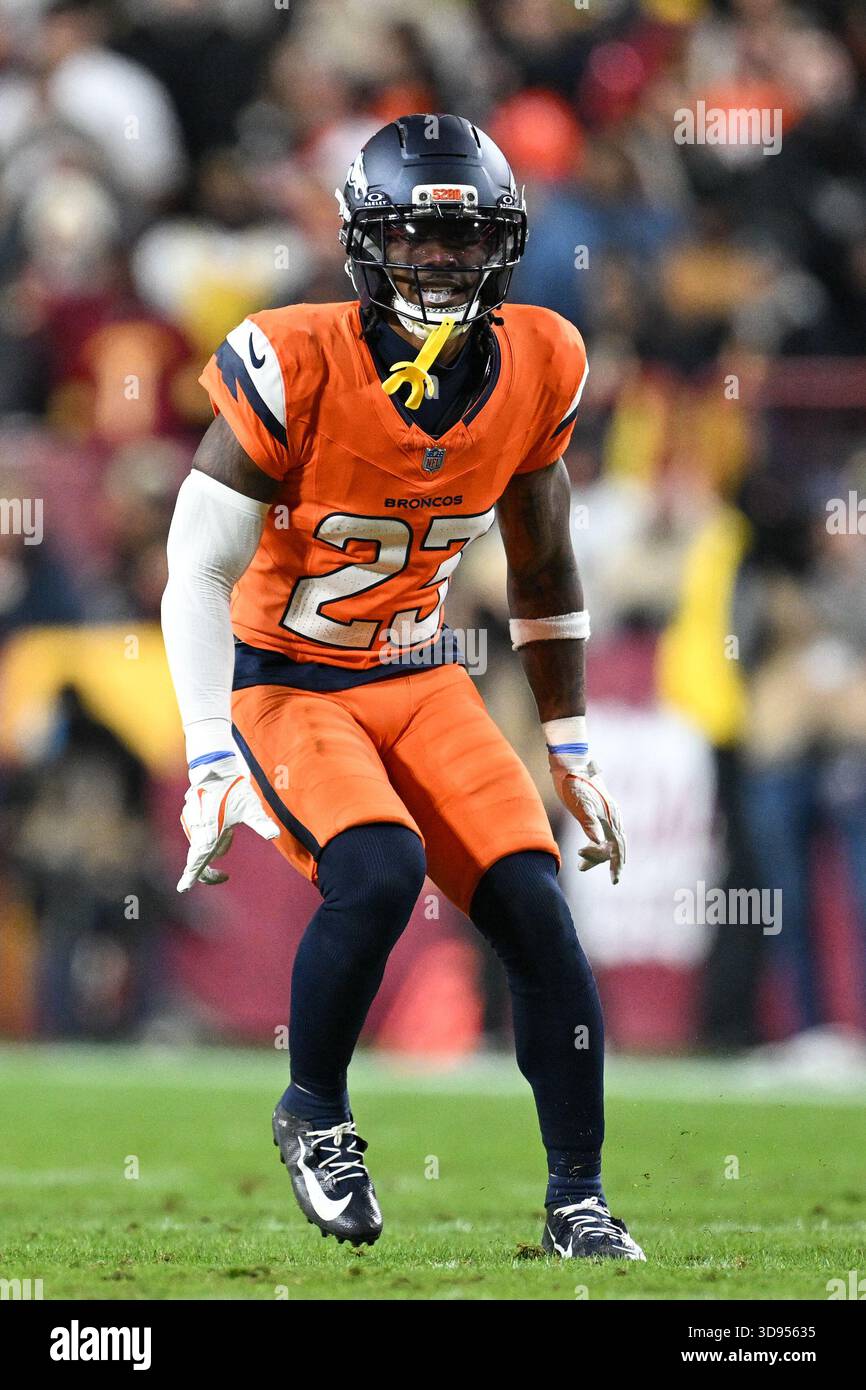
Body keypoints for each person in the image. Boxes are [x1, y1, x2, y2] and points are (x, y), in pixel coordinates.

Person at [161, 114, 642, 1261]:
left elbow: (542, 561)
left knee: (534, 909)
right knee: (372, 873)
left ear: (501, 244)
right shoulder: (295, 356)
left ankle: (576, 1198)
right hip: (286, 681)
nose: (439, 259)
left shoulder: (538, 361)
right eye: (415, 239)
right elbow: (196, 566)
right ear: (363, 243)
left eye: (463, 237)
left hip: (417, 676)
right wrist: (205, 755)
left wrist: (567, 742)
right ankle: (314, 1114)